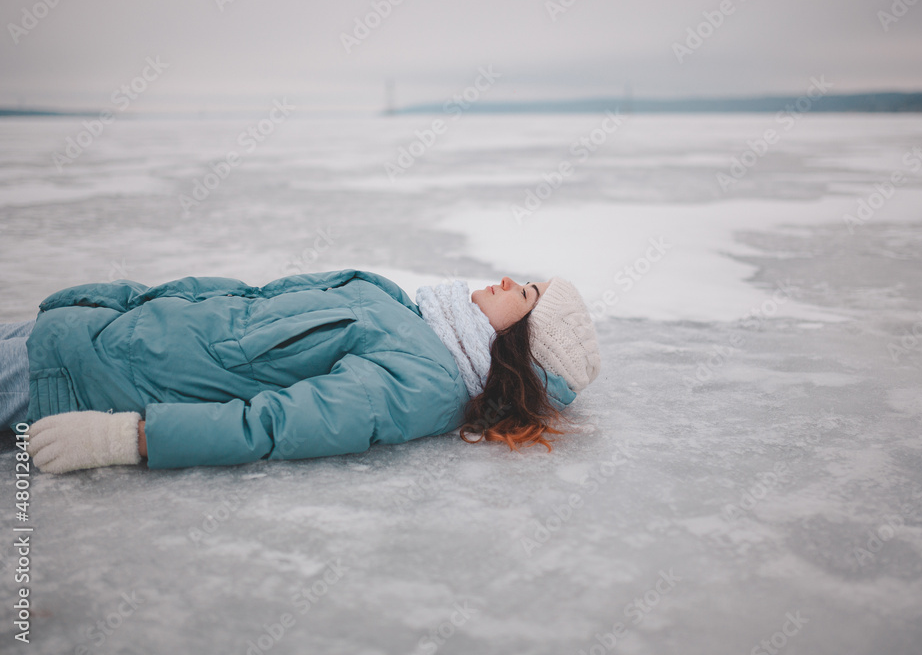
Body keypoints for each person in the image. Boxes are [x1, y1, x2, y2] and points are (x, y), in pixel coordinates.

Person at [1, 269, 600, 474]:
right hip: (82, 333)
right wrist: (114, 299)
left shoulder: (423, 382)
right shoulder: (407, 308)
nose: (505, 281)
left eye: (525, 292)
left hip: (77, 378)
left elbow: (274, 426)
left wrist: (128, 438)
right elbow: (244, 298)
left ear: (517, 343)